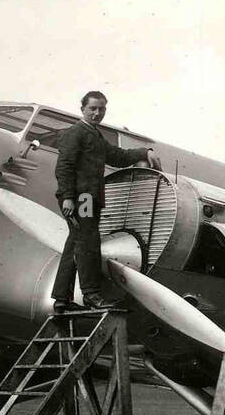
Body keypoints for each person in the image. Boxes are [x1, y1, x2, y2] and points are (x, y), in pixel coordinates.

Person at [51, 90, 160, 311]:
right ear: (82, 109)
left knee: (76, 243)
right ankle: (91, 295)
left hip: (84, 197)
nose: (97, 113)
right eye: (93, 108)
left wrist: (143, 152)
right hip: (82, 197)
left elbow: (117, 157)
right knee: (88, 241)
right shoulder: (77, 133)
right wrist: (69, 198)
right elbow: (64, 166)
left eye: (101, 109)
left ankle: (62, 299)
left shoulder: (94, 135)